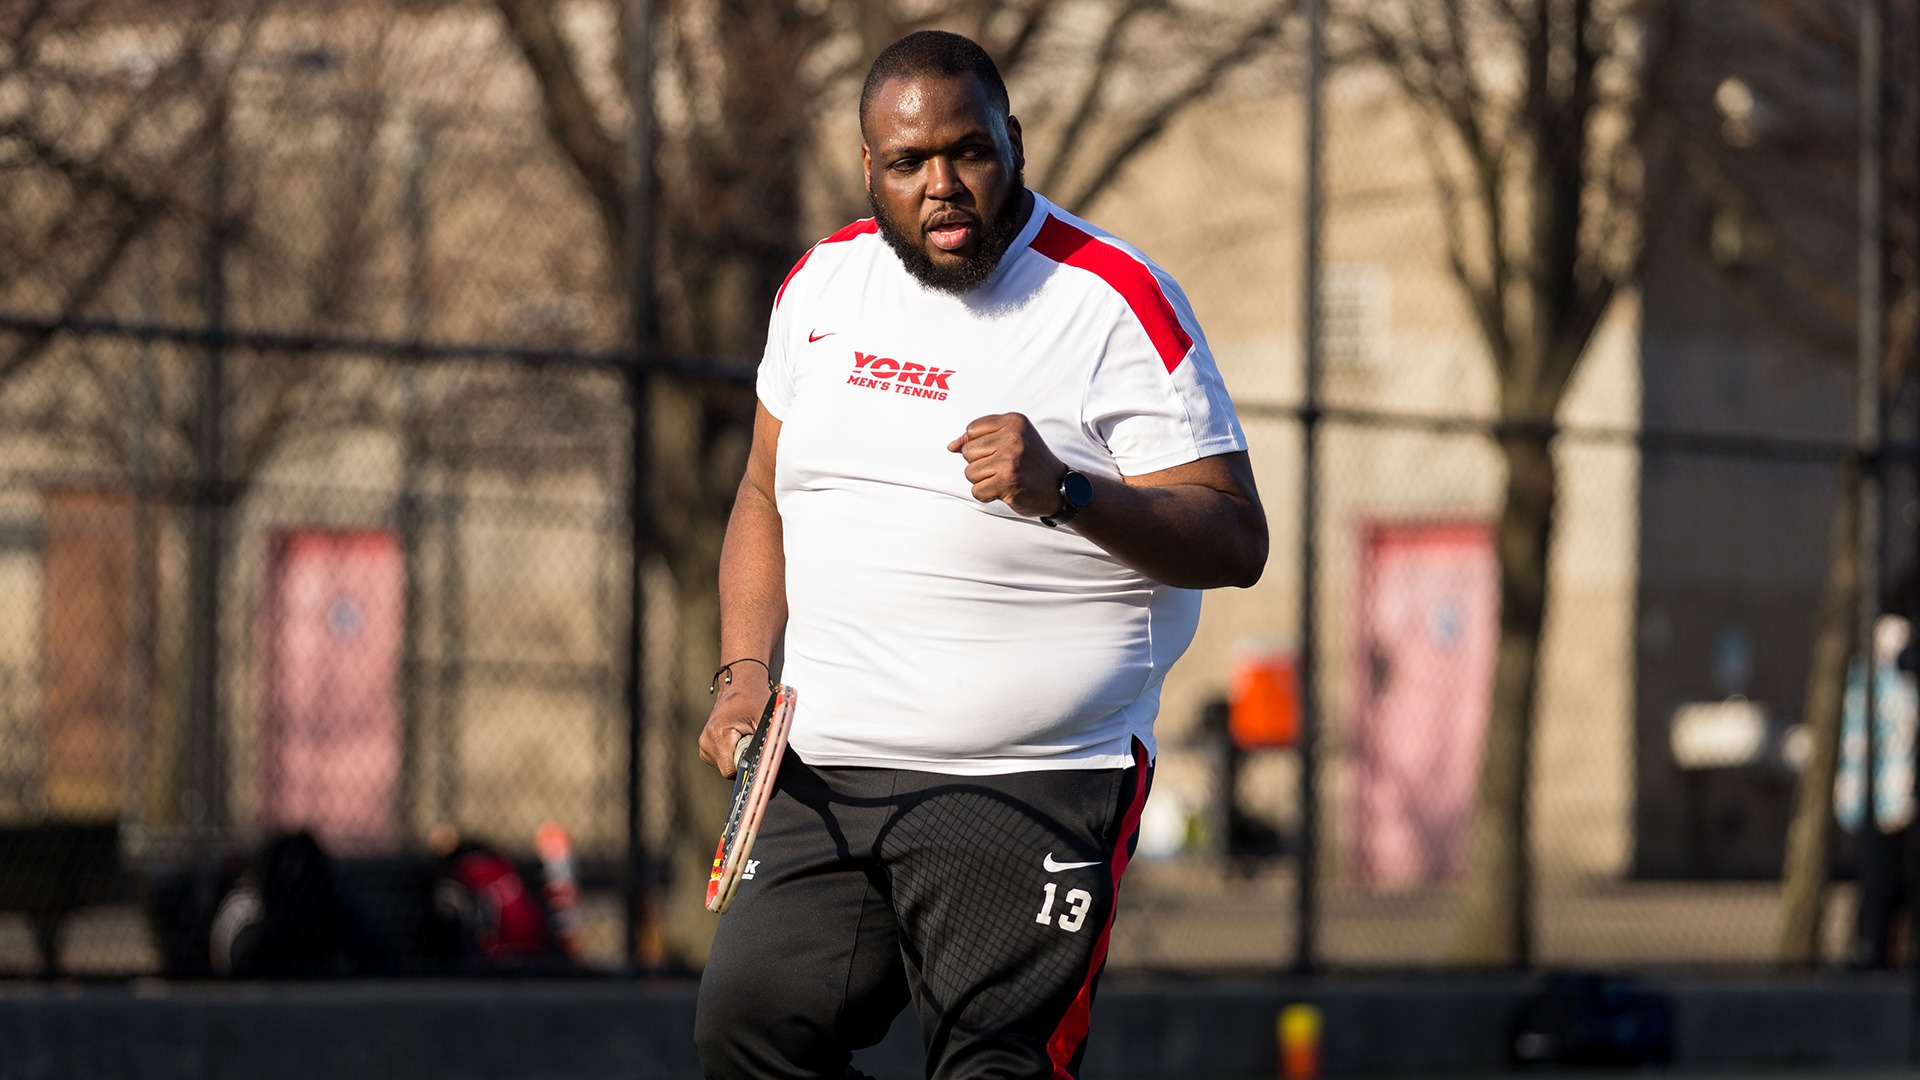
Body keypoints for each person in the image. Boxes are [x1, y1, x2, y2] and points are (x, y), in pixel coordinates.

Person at [693, 29, 1267, 1079]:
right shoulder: (821, 285)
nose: (943, 185)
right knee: (748, 1038)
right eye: (909, 162)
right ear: (870, 169)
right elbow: (763, 493)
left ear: (1014, 143)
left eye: (970, 151)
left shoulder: (1112, 300)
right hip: (828, 766)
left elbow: (1236, 537)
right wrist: (741, 678)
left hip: (1034, 778)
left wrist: (1069, 491)